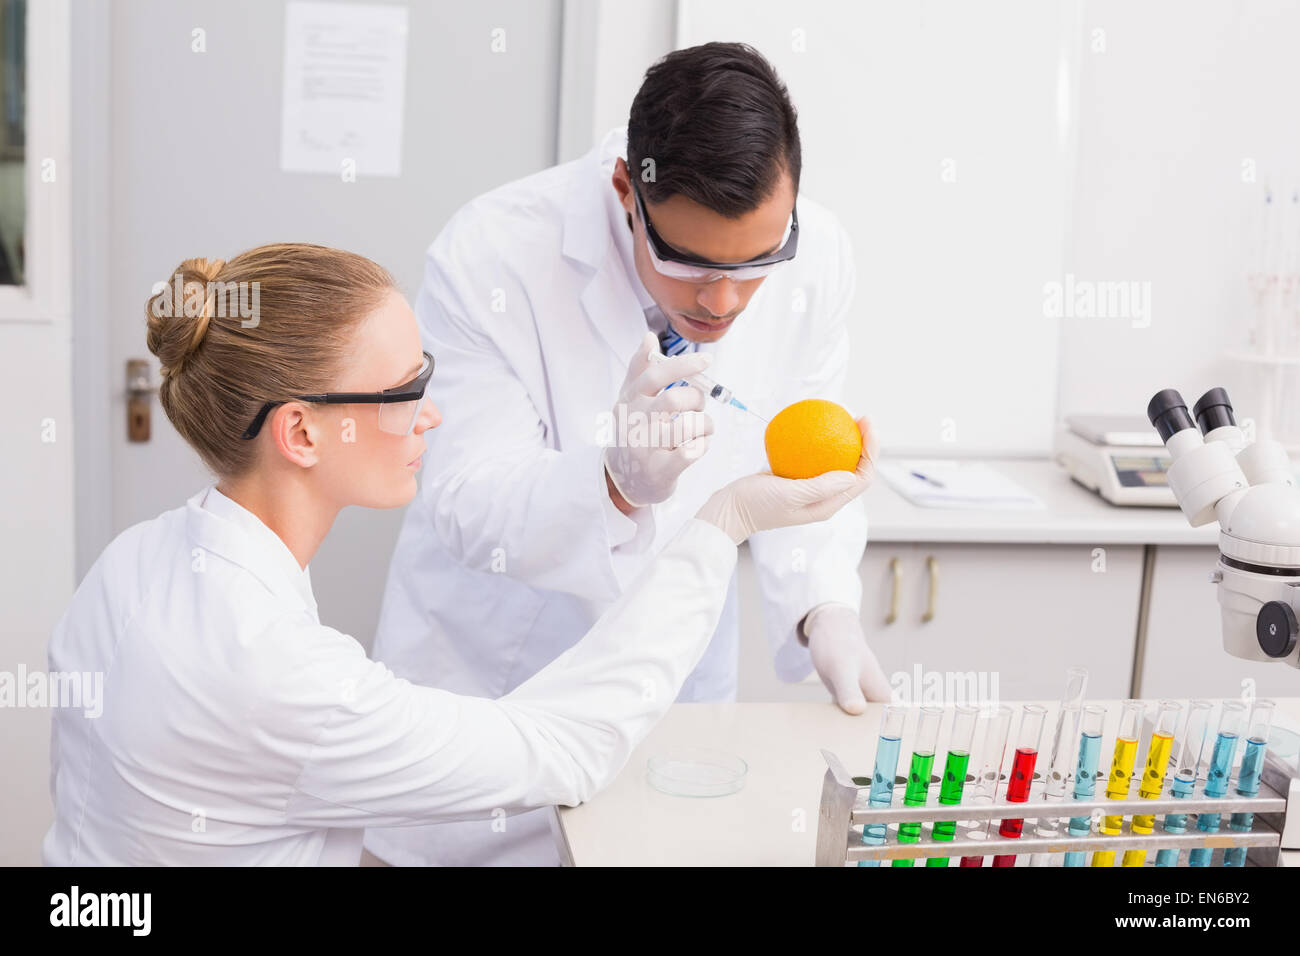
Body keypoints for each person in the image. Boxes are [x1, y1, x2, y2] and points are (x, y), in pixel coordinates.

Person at [41, 243, 873, 865]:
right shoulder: (276, 673)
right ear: (300, 431)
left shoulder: (134, 561)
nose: (432, 417)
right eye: (404, 393)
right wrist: (721, 522)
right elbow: (567, 751)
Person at [365, 42, 889, 866]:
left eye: (756, 266)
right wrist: (612, 483)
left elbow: (799, 449)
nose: (724, 301)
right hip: (496, 685)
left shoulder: (819, 255)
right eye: (689, 264)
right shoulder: (492, 253)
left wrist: (823, 606)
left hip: (672, 686)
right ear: (627, 191)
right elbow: (467, 501)